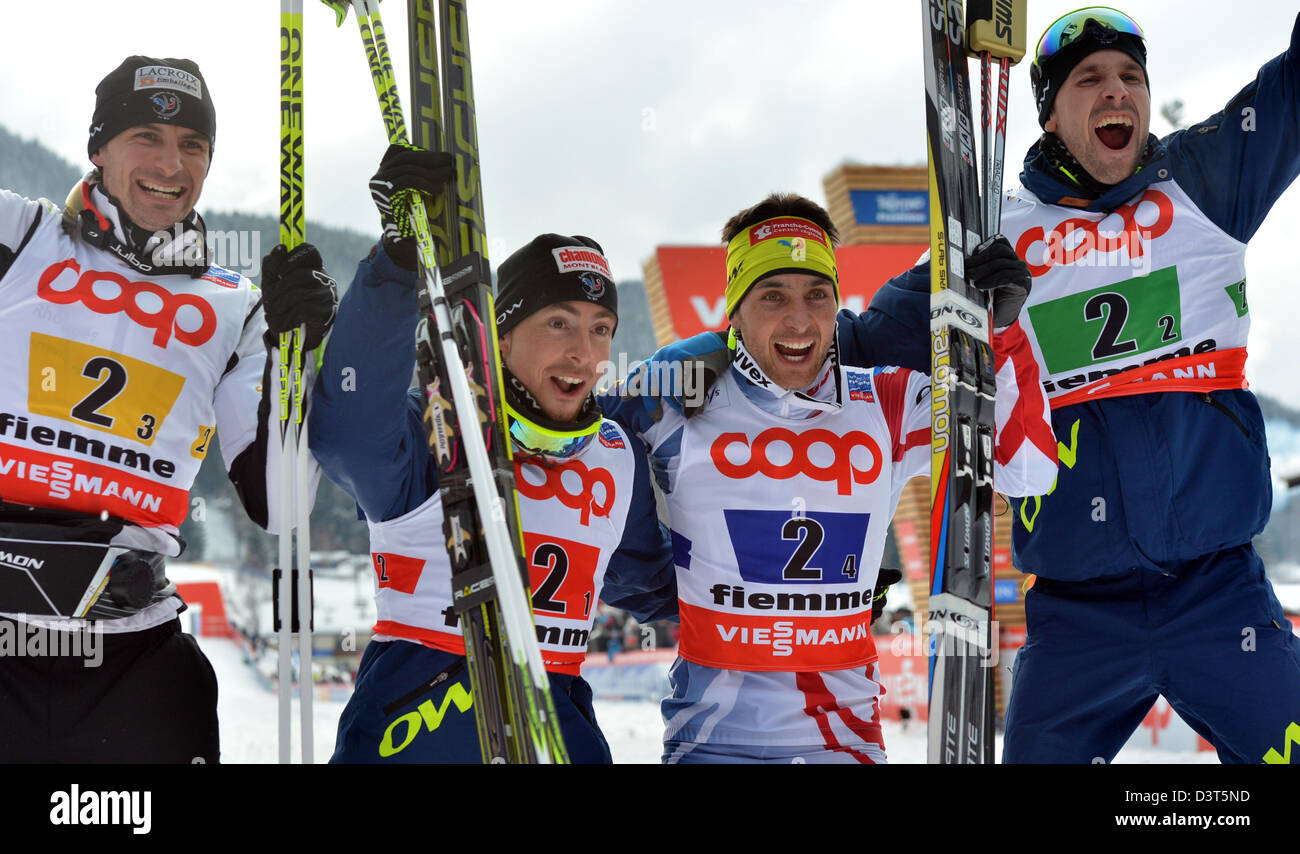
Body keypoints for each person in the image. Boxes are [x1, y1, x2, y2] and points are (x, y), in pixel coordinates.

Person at [841, 7, 1300, 764]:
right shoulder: (995, 236)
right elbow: (851, 338)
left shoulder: (1211, 180)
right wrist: (711, 355)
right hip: (1078, 619)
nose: (1115, 92)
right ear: (1052, 115)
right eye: (1089, 80)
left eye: (1130, 77)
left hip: (1221, 596)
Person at [599, 193, 1056, 763]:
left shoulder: (885, 401)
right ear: (734, 310)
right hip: (710, 746)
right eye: (772, 296)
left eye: (817, 295)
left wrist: (1003, 335)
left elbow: (1028, 470)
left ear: (837, 303)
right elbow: (577, 444)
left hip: (845, 745)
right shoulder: (680, 400)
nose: (799, 319)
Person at [0, 56, 337, 762]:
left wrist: (297, 361)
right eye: (145, 137)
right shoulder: (18, 235)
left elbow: (284, 508)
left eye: (192, 145)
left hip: (136, 669)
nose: (170, 162)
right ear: (98, 149)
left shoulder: (237, 307)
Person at [310, 144, 676, 763]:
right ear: (500, 338)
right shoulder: (439, 427)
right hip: (419, 720)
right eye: (558, 323)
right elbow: (345, 432)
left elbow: (645, 580)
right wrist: (399, 264)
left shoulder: (615, 452)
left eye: (600, 329)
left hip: (555, 724)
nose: (583, 353)